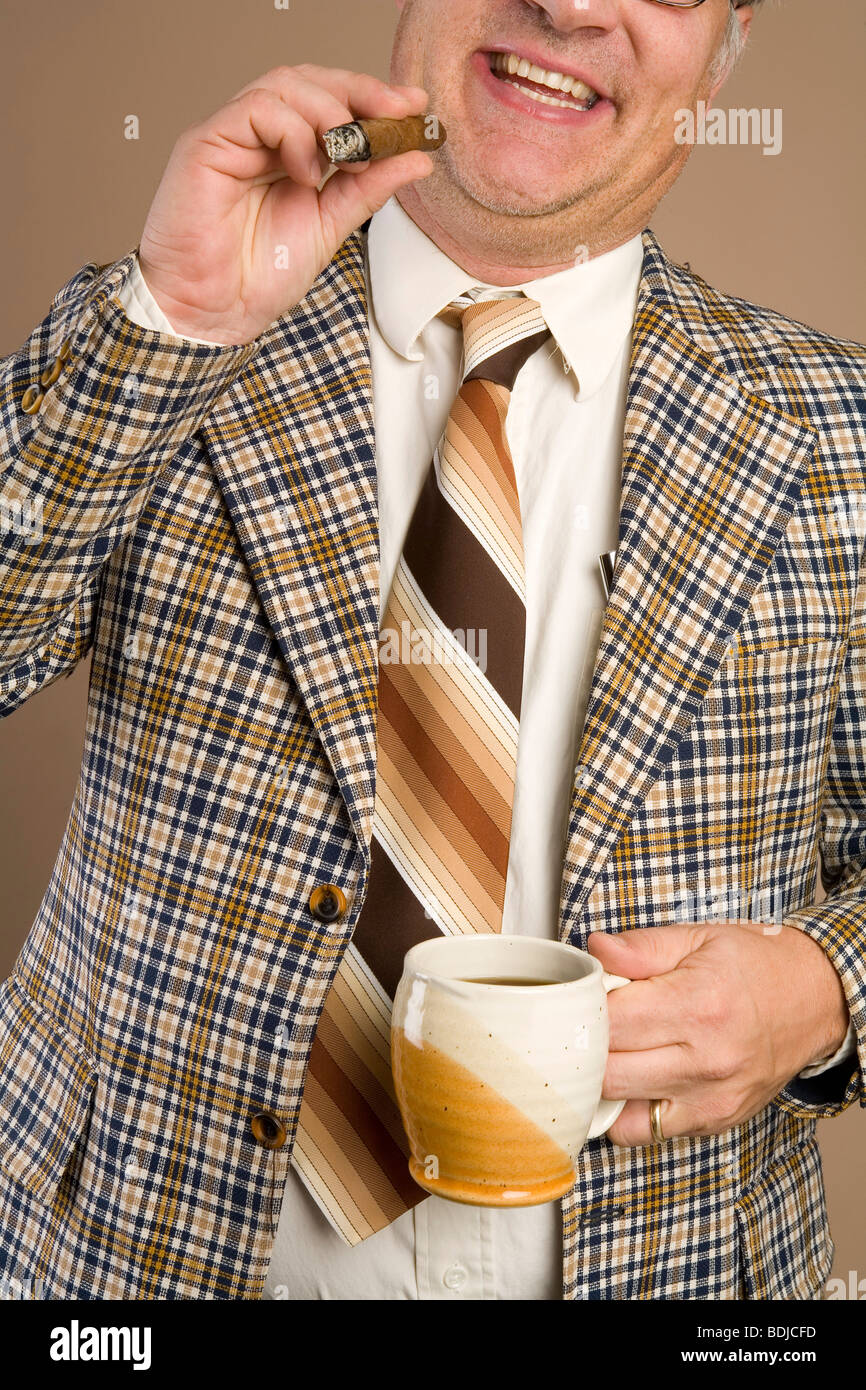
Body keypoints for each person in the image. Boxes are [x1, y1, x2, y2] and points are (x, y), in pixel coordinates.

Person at [0, 0, 862, 1302]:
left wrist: (827, 989)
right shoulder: (174, 339)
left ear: (722, 51)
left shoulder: (839, 436)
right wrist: (167, 317)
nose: (570, 5)